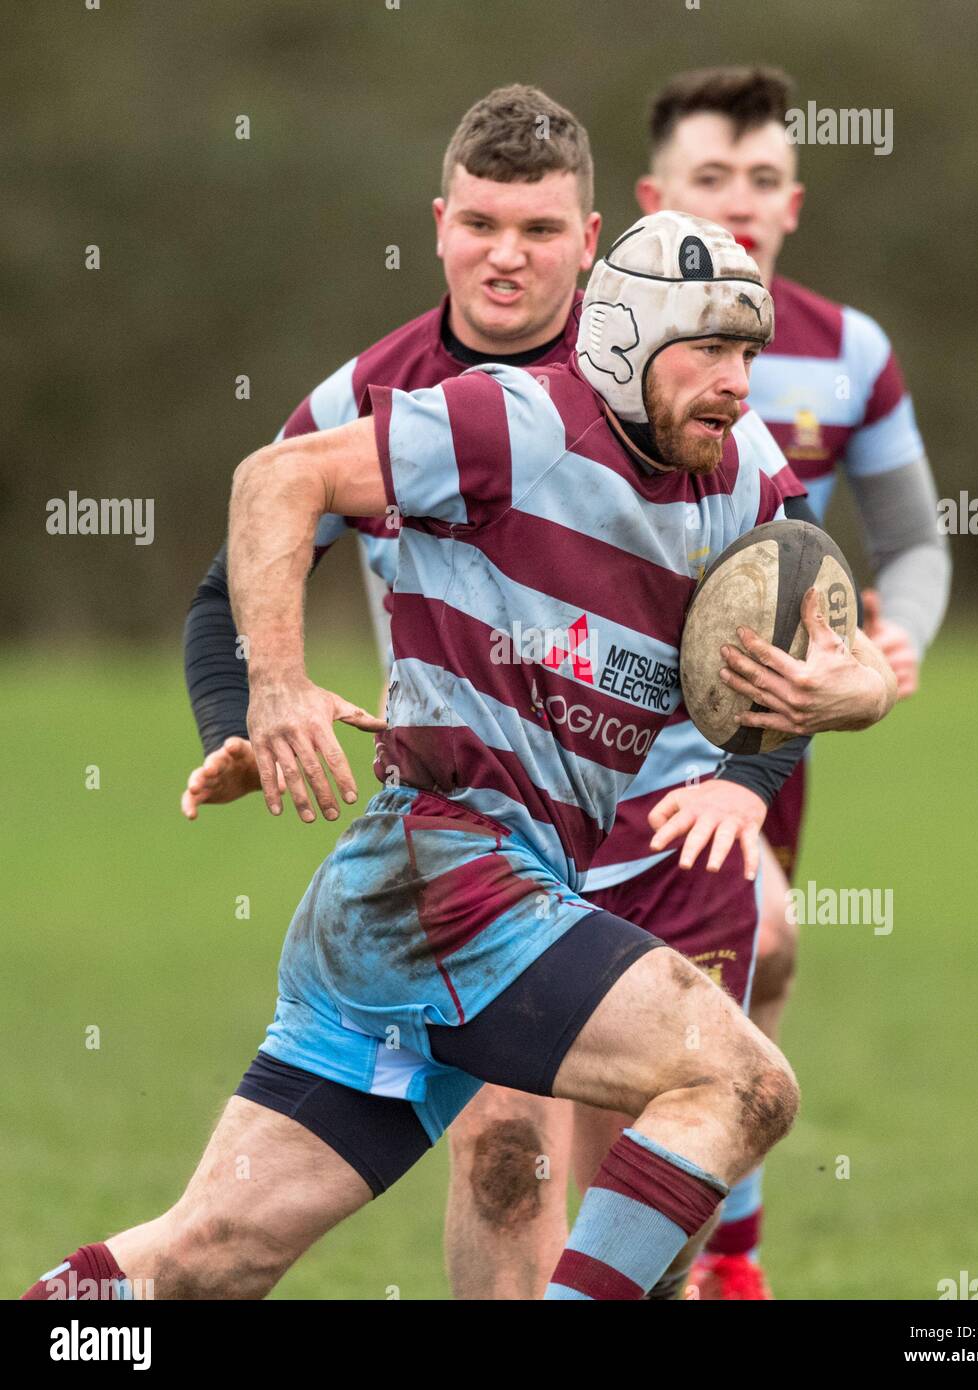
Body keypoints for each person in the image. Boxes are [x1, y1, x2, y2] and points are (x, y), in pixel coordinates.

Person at [21, 210, 897, 1301]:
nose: (735, 380)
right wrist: (277, 686)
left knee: (207, 1257)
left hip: (405, 916)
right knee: (742, 1084)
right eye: (708, 349)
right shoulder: (512, 420)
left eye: (748, 353)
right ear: (624, 338)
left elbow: (845, 647)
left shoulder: (736, 471)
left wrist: (844, 691)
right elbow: (274, 480)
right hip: (448, 876)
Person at [176, 86, 824, 1300]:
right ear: (438, 226)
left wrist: (772, 751)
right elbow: (236, 569)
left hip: (662, 836)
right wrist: (257, 704)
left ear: (591, 243)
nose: (506, 255)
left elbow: (788, 613)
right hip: (485, 839)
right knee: (508, 1155)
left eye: (538, 230)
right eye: (480, 225)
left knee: (675, 1177)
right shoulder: (377, 393)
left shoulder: (689, 398)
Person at [630, 65, 951, 1297]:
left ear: (795, 204)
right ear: (658, 196)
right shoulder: (611, 348)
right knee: (740, 942)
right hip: (610, 724)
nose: (740, 203)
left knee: (741, 963)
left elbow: (914, 541)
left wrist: (901, 629)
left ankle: (720, 1249)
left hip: (767, 721)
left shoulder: (845, 352)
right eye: (713, 179)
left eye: (763, 181)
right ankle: (695, 1257)